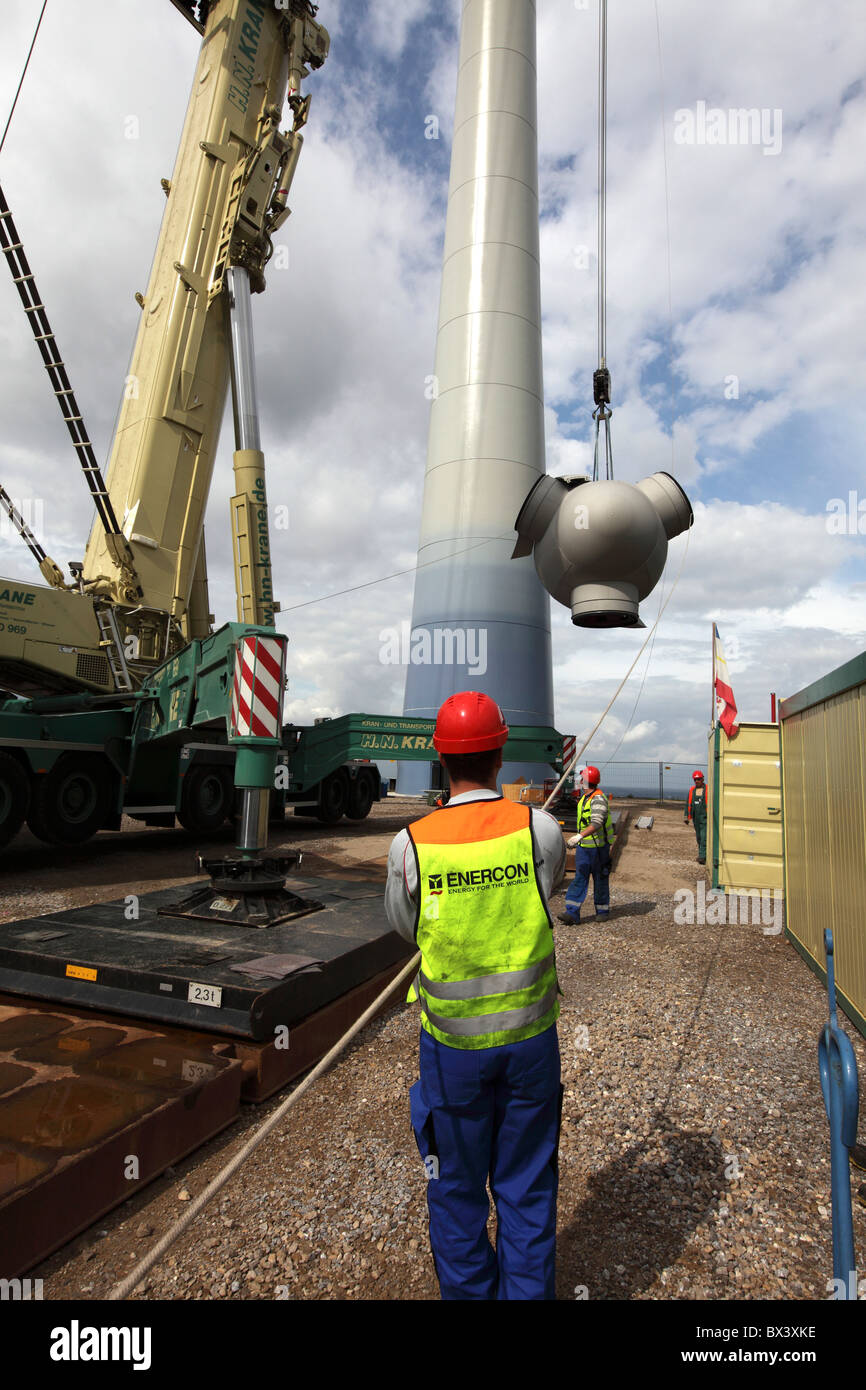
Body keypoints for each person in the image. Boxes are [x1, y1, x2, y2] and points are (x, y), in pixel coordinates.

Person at [384, 690, 566, 1300]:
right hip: (531, 1047)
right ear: (501, 751)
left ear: (440, 756)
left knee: (457, 1192)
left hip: (451, 1054)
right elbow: (547, 890)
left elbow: (406, 927)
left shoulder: (411, 844)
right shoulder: (538, 830)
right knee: (527, 1186)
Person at [558, 765, 614, 925]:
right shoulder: (584, 799)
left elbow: (597, 822)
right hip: (585, 849)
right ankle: (572, 913)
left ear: (585, 781)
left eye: (581, 778)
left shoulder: (598, 799)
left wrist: (578, 837)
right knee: (580, 878)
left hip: (598, 849)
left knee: (600, 879)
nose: (579, 781)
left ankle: (602, 910)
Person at [685, 770, 707, 864]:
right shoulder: (692, 790)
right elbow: (688, 804)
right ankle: (701, 854)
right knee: (698, 837)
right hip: (695, 818)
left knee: (703, 836)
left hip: (704, 817)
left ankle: (702, 856)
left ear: (702, 779)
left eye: (698, 779)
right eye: (695, 779)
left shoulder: (707, 790)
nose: (697, 781)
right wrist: (686, 816)